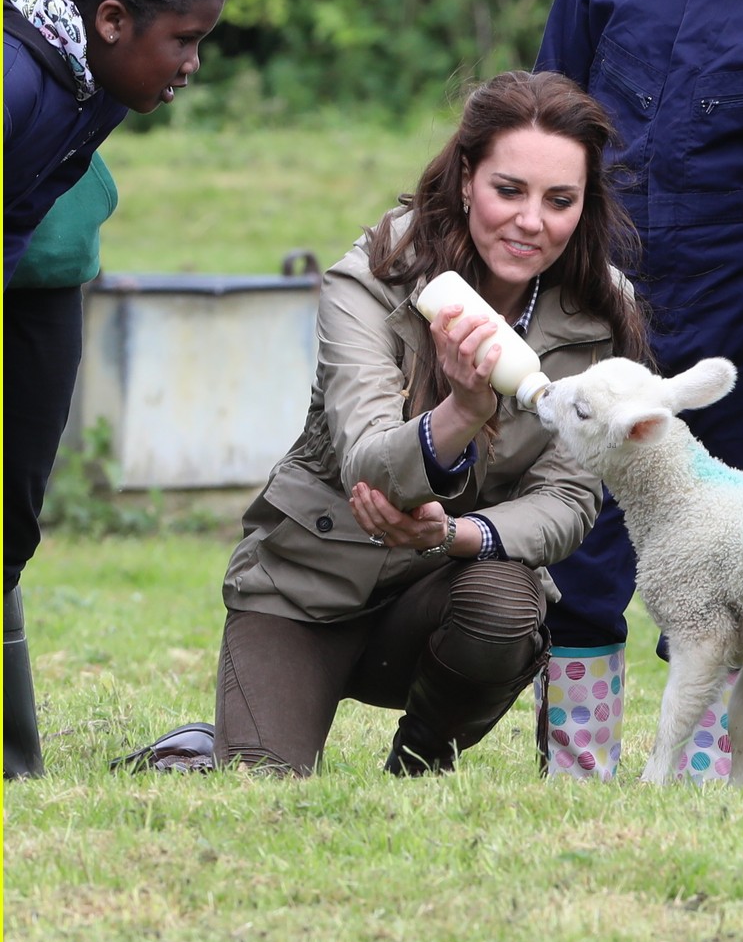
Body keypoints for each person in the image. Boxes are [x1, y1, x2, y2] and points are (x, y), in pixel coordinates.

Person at [202, 71, 652, 776]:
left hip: (447, 589)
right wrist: (463, 410)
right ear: (468, 177)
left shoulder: (602, 313)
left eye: (559, 200)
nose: (532, 221)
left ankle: (419, 763)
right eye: (510, 190)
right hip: (309, 582)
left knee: (508, 598)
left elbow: (569, 501)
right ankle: (193, 747)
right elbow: (369, 463)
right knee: (258, 782)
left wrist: (455, 533)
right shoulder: (371, 277)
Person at [534, 0, 743, 782]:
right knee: (582, 533)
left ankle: (709, 770)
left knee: (722, 549)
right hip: (601, 298)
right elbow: (547, 120)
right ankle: (575, 765)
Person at [3, 0, 231, 779]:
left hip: (35, 290)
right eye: (184, 39)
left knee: (10, 523)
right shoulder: (17, 81)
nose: (194, 63)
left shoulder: (91, 81)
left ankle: (12, 764)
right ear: (110, 20)